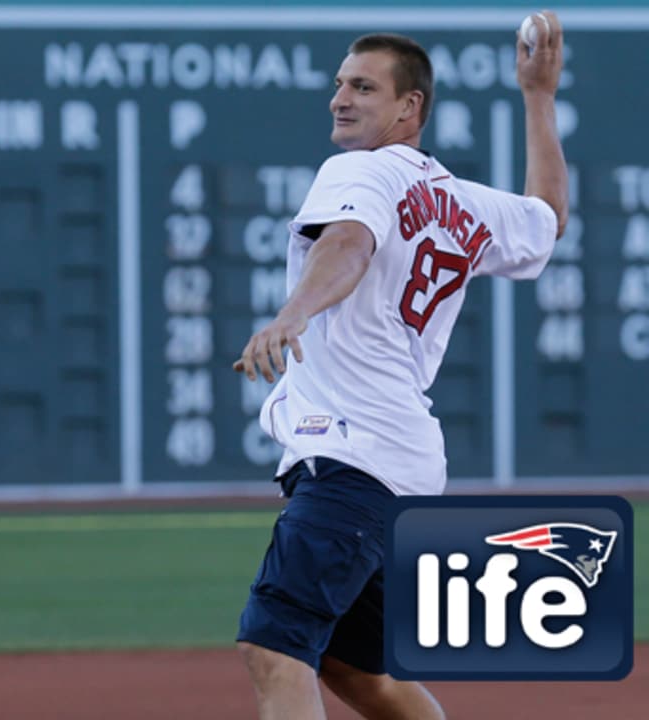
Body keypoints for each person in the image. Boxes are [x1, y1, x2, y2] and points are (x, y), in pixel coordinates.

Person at [231, 12, 568, 720]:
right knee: (359, 672)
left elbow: (350, 243)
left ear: (410, 107)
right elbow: (548, 217)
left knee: (275, 647)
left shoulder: (360, 169)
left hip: (353, 453)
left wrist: (294, 312)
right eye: (339, 84)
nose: (340, 99)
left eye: (363, 87)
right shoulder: (464, 202)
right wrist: (539, 97)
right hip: (401, 463)